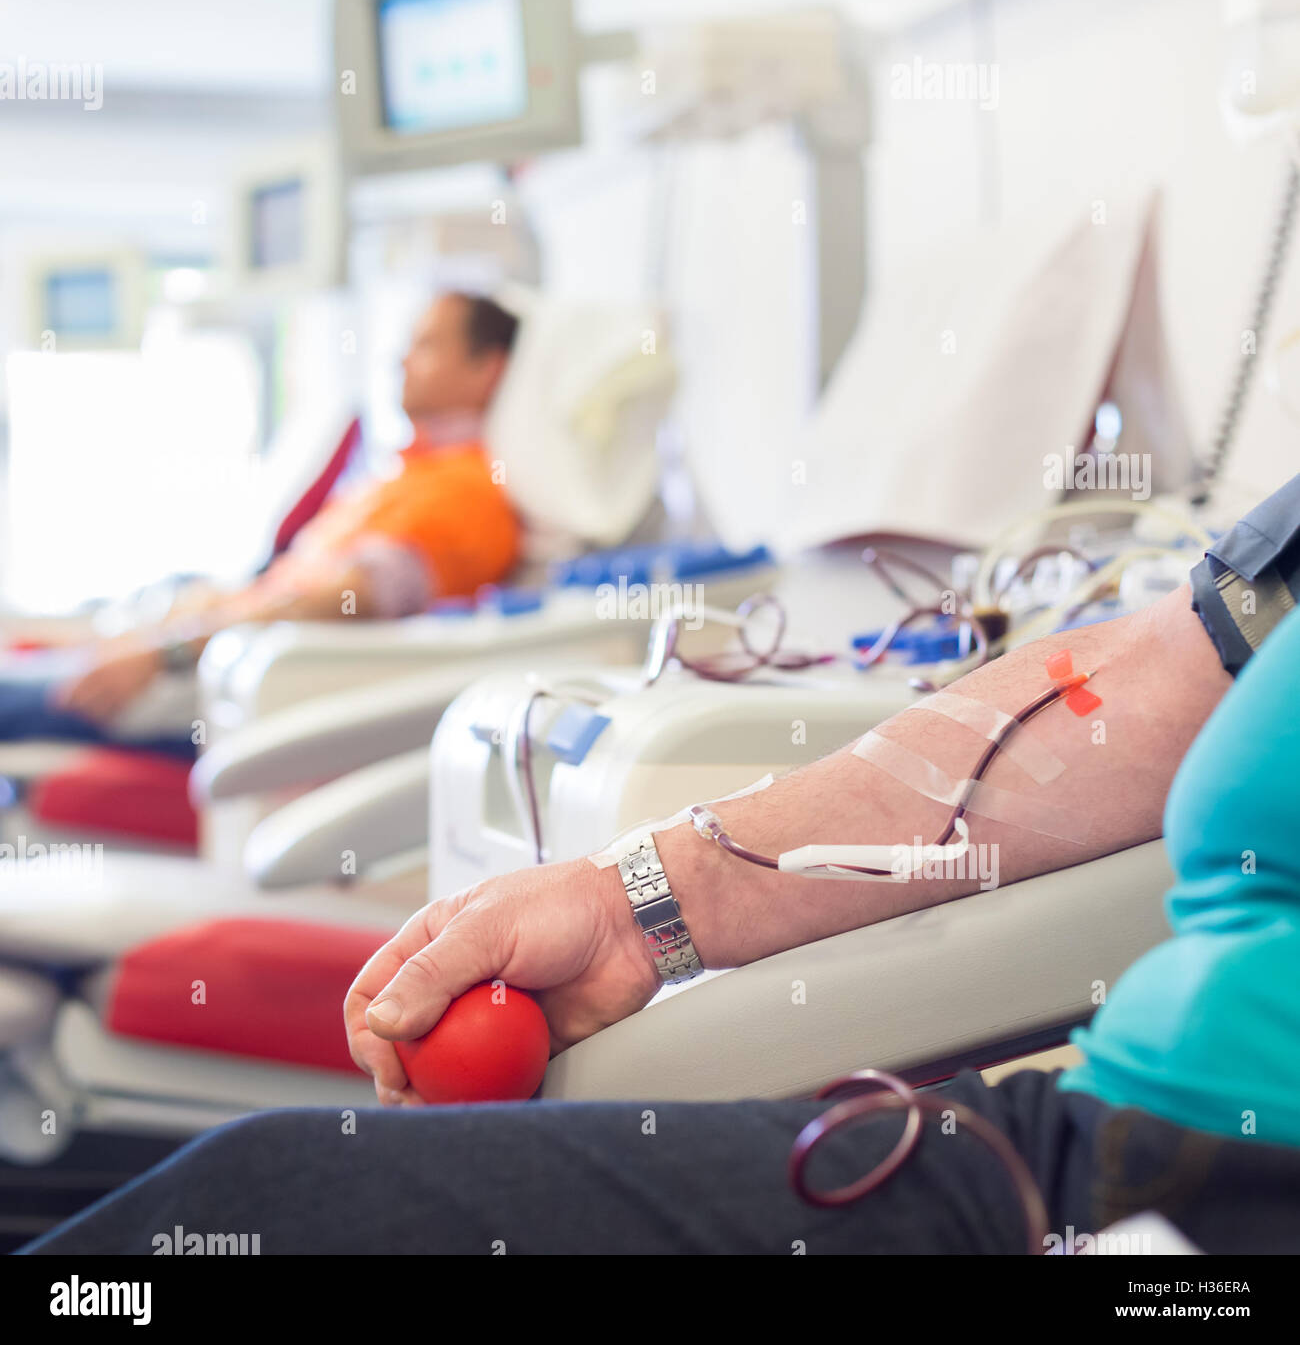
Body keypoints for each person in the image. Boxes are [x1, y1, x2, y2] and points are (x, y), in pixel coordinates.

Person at [18, 477, 1300, 1255]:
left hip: (1204, 1198)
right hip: (1096, 1132)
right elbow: (1146, 683)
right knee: (264, 1196)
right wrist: (635, 906)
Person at [0, 293, 522, 749]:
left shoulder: (466, 495)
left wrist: (166, 652)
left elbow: (339, 601)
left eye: (427, 346)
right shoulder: (405, 474)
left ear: (486, 368)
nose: (401, 360)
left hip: (219, 681)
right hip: (206, 648)